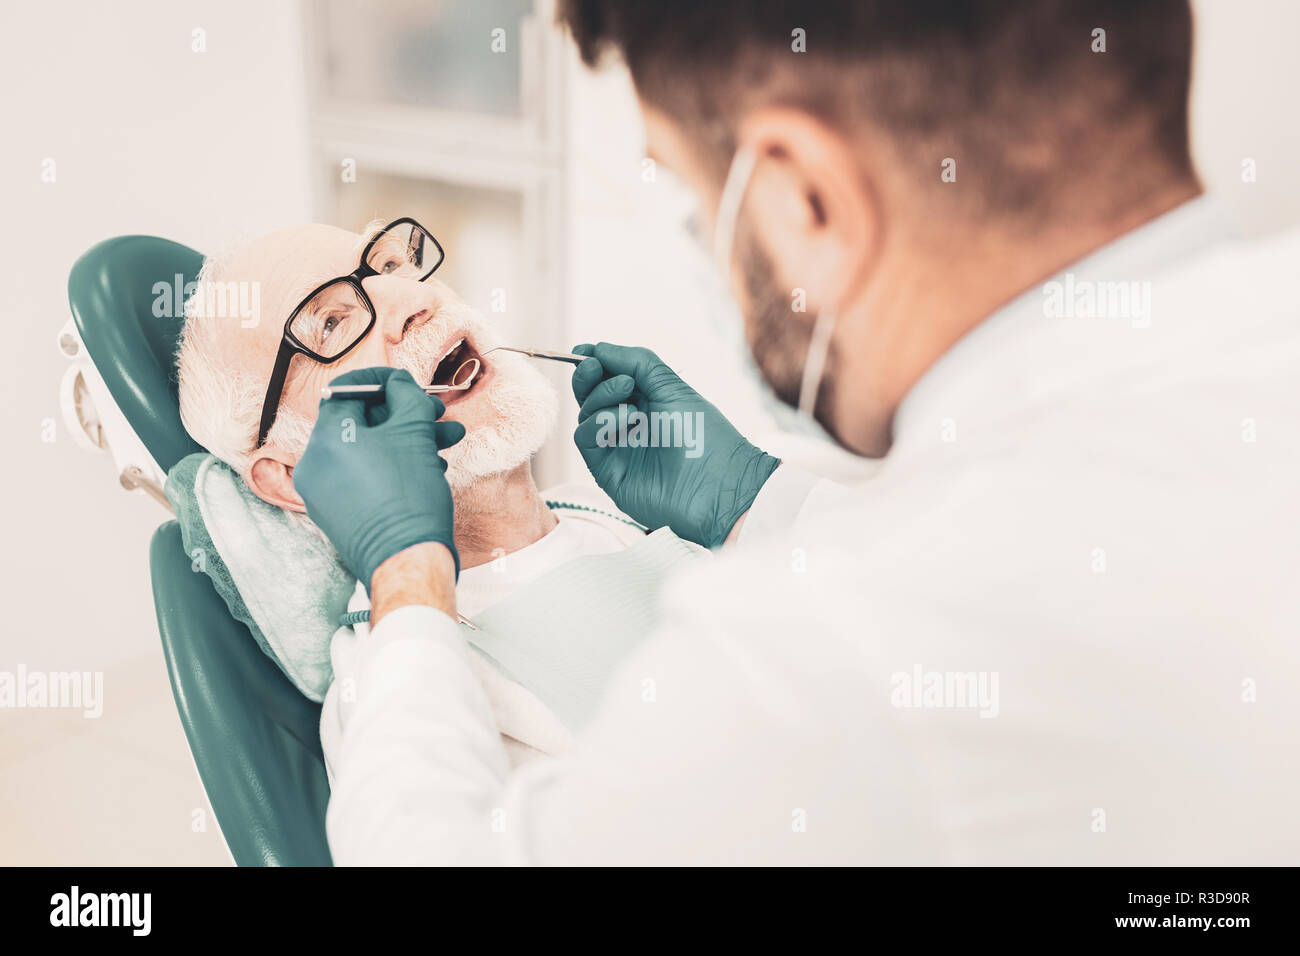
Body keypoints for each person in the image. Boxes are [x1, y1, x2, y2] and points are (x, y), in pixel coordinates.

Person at [298, 0, 1300, 864]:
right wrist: (760, 499)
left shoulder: (828, 653)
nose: (407, 309)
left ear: (804, 200)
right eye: (337, 325)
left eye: (694, 197)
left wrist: (404, 575)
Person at [175, 219, 686, 768]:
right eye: (329, 323)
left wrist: (743, 513)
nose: (416, 297)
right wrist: (408, 573)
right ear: (293, 474)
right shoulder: (390, 686)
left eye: (392, 265)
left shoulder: (612, 511)